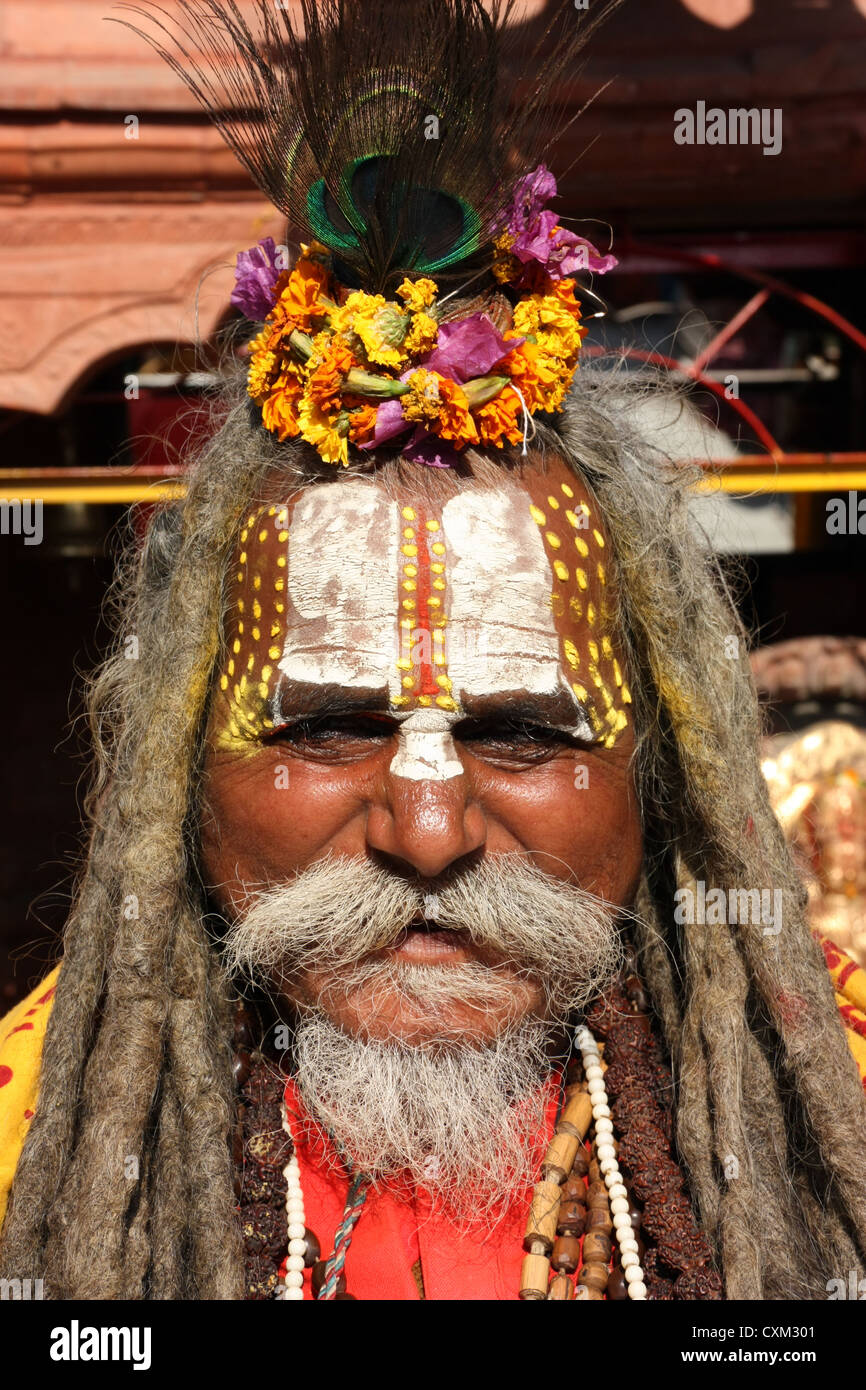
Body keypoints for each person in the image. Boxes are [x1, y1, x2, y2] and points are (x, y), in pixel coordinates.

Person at [1, 0, 865, 1301]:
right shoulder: (28, 1133)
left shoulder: (836, 1089)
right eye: (328, 724)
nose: (425, 829)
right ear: (181, 770)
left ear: (657, 767)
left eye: (521, 729)